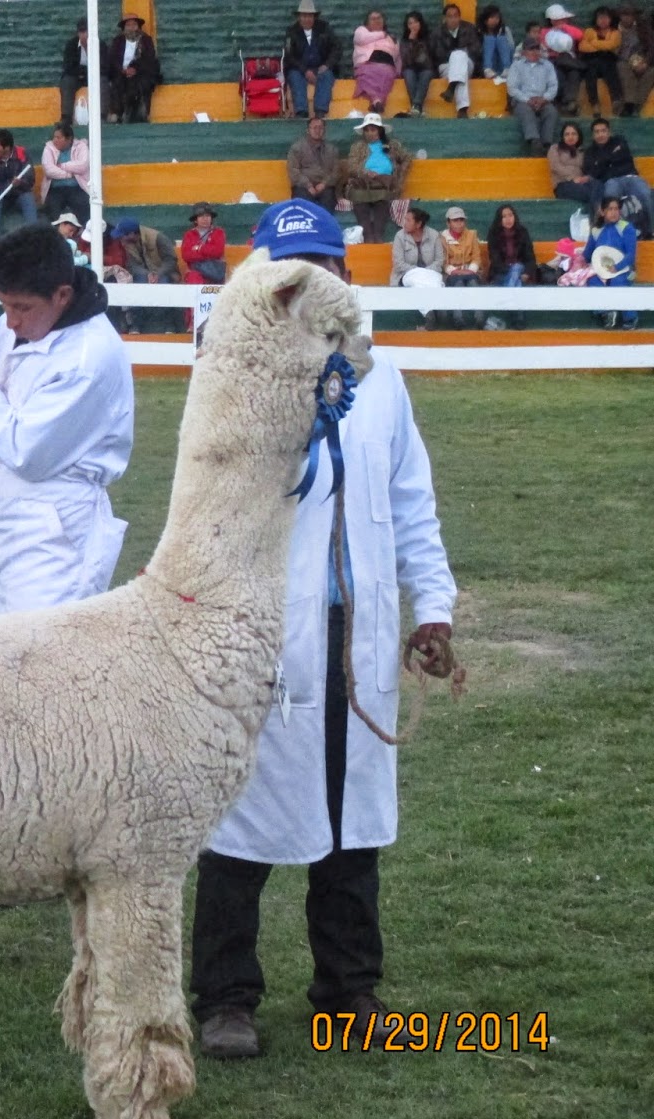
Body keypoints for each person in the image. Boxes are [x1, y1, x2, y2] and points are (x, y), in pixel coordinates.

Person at [191, 196, 458, 1062]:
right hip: (262, 629)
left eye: (322, 268)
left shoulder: (380, 377)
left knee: (353, 821)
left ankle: (350, 991)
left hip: (362, 628)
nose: (308, 288)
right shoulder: (229, 375)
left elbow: (411, 498)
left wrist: (436, 607)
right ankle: (226, 997)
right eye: (288, 273)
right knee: (241, 820)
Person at [0, 221, 133, 617]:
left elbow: (26, 450)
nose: (10, 320)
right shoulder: (24, 318)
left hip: (55, 527)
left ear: (62, 295)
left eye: (20, 308)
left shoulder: (88, 356)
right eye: (4, 305)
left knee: (40, 665)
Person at [342, 113, 408, 243]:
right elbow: (352, 166)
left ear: (380, 130)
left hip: (384, 184)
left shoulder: (391, 145)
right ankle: (367, 235)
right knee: (360, 203)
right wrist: (365, 172)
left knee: (382, 203)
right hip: (363, 183)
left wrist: (399, 174)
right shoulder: (358, 147)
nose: (369, 133)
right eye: (367, 130)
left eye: (373, 129)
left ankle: (378, 235)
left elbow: (406, 158)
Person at [584, 116, 654, 236]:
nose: (600, 134)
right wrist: (611, 156)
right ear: (593, 135)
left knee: (646, 194)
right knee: (610, 200)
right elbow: (594, 172)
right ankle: (613, 233)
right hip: (611, 181)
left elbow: (622, 157)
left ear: (609, 132)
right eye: (597, 132)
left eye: (603, 131)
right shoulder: (590, 152)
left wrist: (602, 162)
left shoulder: (619, 141)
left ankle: (651, 230)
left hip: (630, 177)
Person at [111, 215, 181, 333]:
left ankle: (169, 324)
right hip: (142, 274)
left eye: (123, 235)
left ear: (132, 234)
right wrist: (147, 274)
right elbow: (131, 265)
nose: (121, 238)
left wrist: (158, 273)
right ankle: (136, 323)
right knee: (137, 285)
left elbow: (171, 260)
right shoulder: (126, 243)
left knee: (164, 284)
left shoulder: (158, 237)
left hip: (165, 272)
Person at [585, 194, 639, 326]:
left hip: (623, 269)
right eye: (610, 209)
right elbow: (588, 254)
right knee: (592, 280)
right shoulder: (596, 231)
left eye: (616, 209)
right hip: (602, 270)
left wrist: (617, 267)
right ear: (602, 212)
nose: (614, 212)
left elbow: (630, 255)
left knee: (617, 281)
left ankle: (630, 318)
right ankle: (606, 313)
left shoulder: (626, 228)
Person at [285, 0, 342, 119]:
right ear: (299, 17)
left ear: (314, 17)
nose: (307, 19)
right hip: (299, 68)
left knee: (327, 76)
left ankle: (320, 112)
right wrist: (304, 70)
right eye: (304, 16)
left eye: (310, 16)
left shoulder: (325, 28)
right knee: (295, 77)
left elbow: (336, 48)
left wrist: (326, 65)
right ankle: (301, 112)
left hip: (321, 66)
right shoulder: (292, 31)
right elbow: (289, 56)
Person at [485, 203, 538, 328]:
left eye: (510, 215)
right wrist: (513, 271)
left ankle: (508, 299)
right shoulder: (494, 234)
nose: (508, 219)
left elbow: (530, 258)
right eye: (504, 216)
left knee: (518, 268)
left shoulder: (523, 232)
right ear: (499, 219)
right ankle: (519, 318)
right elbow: (495, 261)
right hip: (501, 274)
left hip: (521, 274)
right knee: (516, 271)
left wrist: (526, 273)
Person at [510, 36, 562, 154]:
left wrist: (544, 99)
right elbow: (512, 88)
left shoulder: (548, 65)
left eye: (536, 48)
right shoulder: (517, 66)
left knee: (551, 112)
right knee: (526, 111)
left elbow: (553, 86)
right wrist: (527, 100)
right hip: (522, 101)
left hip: (543, 100)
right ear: (523, 52)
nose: (534, 51)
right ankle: (534, 141)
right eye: (531, 49)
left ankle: (547, 143)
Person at [0, 129, 38, 241]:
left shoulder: (22, 154)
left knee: (28, 197)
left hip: (19, 194)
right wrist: (9, 184)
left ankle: (34, 236)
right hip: (1, 195)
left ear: (7, 148)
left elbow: (30, 180)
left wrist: (20, 183)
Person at [59, 16, 112, 125]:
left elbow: (105, 66)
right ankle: (66, 117)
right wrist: (82, 72)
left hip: (95, 75)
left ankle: (102, 115)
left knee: (103, 81)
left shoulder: (100, 45)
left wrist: (89, 72)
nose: (84, 35)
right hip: (77, 76)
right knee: (66, 82)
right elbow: (68, 66)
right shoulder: (71, 45)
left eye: (86, 31)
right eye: (82, 32)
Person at [110, 13, 162, 124]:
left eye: (134, 25)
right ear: (124, 28)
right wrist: (123, 70)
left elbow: (149, 58)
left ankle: (140, 115)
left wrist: (134, 69)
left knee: (140, 84)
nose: (131, 28)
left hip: (140, 73)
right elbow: (112, 59)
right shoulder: (118, 41)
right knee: (117, 83)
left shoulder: (146, 40)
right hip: (121, 72)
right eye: (128, 25)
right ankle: (117, 114)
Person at [431, 2, 480, 116]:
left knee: (460, 56)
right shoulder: (437, 32)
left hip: (467, 63)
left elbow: (476, 49)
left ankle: (451, 87)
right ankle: (462, 109)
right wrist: (456, 54)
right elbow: (437, 54)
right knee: (459, 62)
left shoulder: (469, 28)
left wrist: (461, 54)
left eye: (456, 16)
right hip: (446, 66)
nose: (453, 19)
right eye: (450, 16)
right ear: (444, 18)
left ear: (459, 17)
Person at [439, 206, 484, 329]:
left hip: (471, 271)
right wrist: (455, 271)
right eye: (455, 220)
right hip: (452, 274)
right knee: (458, 283)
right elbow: (443, 262)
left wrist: (470, 270)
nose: (459, 223)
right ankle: (458, 319)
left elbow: (476, 257)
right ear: (448, 222)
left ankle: (479, 319)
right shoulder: (442, 238)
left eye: (461, 220)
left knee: (473, 283)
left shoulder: (471, 235)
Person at [40, 122, 91, 223]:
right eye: (54, 137)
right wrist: (69, 174)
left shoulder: (81, 146)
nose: (55, 140)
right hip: (56, 189)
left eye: (59, 138)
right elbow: (49, 170)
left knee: (84, 205)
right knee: (52, 209)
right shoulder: (49, 148)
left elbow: (82, 166)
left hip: (77, 187)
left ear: (69, 139)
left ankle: (83, 234)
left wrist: (62, 166)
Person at [579, 5, 625, 116]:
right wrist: (601, 46)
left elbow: (612, 45)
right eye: (600, 18)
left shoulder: (615, 32)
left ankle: (616, 100)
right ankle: (595, 105)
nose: (603, 20)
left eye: (606, 17)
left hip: (608, 61)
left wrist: (594, 43)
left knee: (607, 65)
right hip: (592, 62)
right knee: (590, 71)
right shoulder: (589, 31)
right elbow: (582, 46)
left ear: (610, 19)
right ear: (596, 19)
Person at [352, 11, 400, 114]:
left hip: (387, 66)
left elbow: (397, 57)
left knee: (387, 75)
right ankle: (377, 102)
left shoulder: (391, 38)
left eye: (379, 18)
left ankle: (376, 102)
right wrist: (382, 34)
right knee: (366, 76)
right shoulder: (361, 30)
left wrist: (398, 72)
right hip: (367, 63)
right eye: (373, 19)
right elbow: (362, 39)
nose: (377, 21)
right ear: (367, 23)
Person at [288, 116, 340, 210]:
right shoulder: (297, 148)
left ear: (324, 130)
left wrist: (324, 184)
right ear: (308, 130)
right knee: (303, 206)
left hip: (325, 187)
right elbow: (293, 171)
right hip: (303, 187)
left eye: (320, 128)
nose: (317, 130)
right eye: (314, 127)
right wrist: (308, 185)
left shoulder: (332, 149)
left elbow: (335, 172)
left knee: (328, 202)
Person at [550, 120, 605, 208]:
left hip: (582, 183)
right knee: (591, 193)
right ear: (562, 136)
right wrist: (573, 178)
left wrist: (587, 177)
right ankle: (597, 217)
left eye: (574, 134)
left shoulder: (583, 151)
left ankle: (596, 215)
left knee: (598, 185)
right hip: (563, 185)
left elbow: (589, 168)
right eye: (567, 134)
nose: (570, 137)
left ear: (579, 136)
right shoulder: (555, 148)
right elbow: (555, 166)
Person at [544, 4, 587, 115]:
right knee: (558, 73)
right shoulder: (545, 32)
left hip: (569, 59)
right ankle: (559, 102)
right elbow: (547, 44)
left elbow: (580, 35)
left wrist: (564, 27)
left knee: (574, 73)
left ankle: (570, 102)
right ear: (552, 20)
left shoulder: (568, 29)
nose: (564, 20)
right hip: (553, 60)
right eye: (560, 19)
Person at [615, 4, 653, 116]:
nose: (627, 18)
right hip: (622, 60)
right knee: (623, 68)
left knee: (651, 73)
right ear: (620, 16)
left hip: (641, 60)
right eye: (624, 15)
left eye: (630, 15)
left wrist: (645, 62)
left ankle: (636, 106)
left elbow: (652, 47)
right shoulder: (614, 28)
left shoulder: (642, 28)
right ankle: (629, 104)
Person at [398, 11, 435, 115]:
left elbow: (425, 59)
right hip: (410, 68)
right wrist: (411, 42)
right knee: (408, 74)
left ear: (420, 23)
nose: (413, 26)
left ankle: (416, 105)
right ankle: (418, 107)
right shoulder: (404, 41)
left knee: (427, 74)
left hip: (426, 68)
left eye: (415, 22)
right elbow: (407, 60)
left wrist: (415, 42)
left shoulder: (429, 38)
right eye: (410, 23)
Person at [180, 201, 227, 284]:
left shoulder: (219, 232)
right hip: (196, 271)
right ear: (195, 220)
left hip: (214, 272)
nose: (205, 219)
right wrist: (208, 254)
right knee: (193, 277)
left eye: (208, 216)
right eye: (201, 216)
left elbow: (217, 252)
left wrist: (199, 248)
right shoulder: (189, 235)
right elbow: (186, 255)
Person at [477, 4, 516, 80]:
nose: (495, 20)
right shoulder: (479, 32)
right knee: (489, 39)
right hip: (487, 63)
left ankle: (507, 69)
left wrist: (499, 44)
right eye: (492, 17)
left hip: (503, 62)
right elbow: (478, 51)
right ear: (485, 20)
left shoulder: (505, 30)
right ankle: (487, 69)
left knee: (501, 39)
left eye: (497, 18)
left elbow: (511, 47)